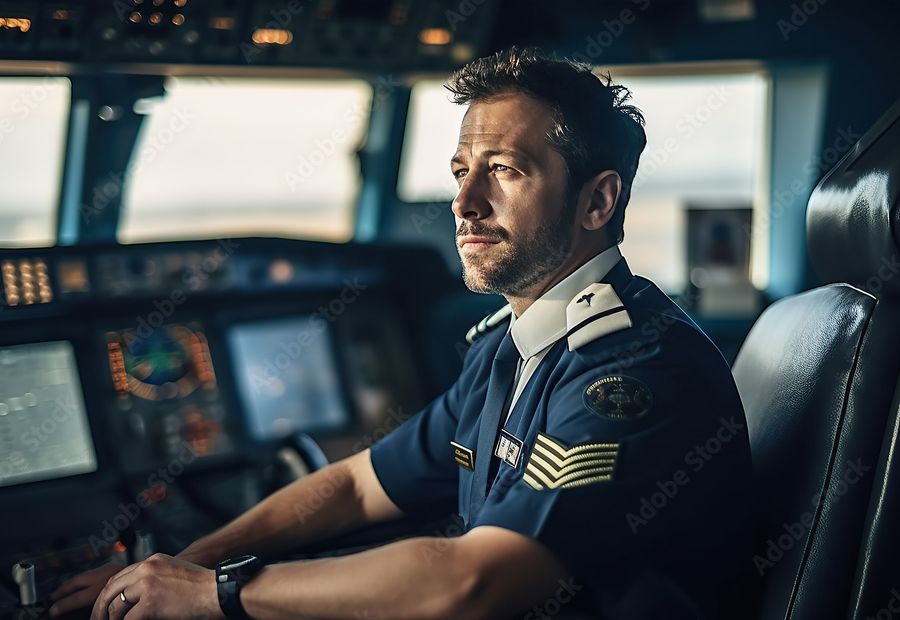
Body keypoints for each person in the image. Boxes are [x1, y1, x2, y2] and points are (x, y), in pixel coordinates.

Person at [50, 47, 757, 620]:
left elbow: (472, 582)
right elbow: (359, 486)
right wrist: (186, 566)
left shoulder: (636, 373)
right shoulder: (510, 348)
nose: (464, 203)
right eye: (460, 171)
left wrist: (219, 597)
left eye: (504, 171)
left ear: (598, 199)